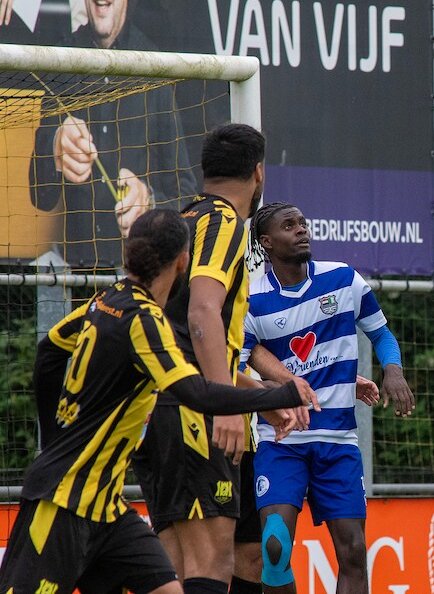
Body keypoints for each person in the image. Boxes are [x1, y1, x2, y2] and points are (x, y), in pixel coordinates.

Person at [0, 208, 319, 594]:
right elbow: (197, 393)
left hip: (107, 508)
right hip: (64, 500)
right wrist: (282, 392)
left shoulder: (105, 300)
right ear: (183, 262)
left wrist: (53, 438)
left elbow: (50, 350)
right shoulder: (145, 320)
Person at [131, 122, 284, 594]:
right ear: (258, 172)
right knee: (211, 563)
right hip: (192, 413)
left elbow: (181, 336)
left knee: (185, 568)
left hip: (159, 406)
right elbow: (202, 313)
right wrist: (226, 404)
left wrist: (255, 395)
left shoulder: (187, 219)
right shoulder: (223, 221)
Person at [240, 201, 416, 593]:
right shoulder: (252, 300)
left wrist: (393, 370)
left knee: (353, 551)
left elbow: (381, 334)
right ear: (267, 242)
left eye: (303, 223)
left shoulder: (343, 279)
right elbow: (234, 373)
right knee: (274, 547)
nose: (302, 229)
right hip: (281, 442)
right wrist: (273, 397)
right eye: (289, 226)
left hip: (338, 441)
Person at [29, 0, 195, 271]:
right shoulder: (60, 60)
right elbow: (40, 196)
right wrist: (54, 149)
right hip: (74, 277)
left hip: (136, 276)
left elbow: (185, 195)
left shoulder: (154, 69)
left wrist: (148, 202)